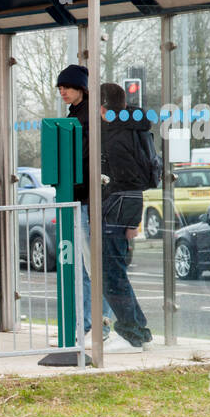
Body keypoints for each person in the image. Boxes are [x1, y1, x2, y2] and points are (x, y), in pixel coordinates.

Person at [57, 63, 114, 340]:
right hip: (78, 198)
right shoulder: (76, 116)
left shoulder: (88, 117)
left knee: (91, 266)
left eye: (66, 87)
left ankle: (99, 325)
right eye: (59, 88)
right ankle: (88, 324)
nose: (62, 92)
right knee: (81, 266)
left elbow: (84, 158)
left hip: (87, 199)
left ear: (80, 87)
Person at [98, 82, 154, 349]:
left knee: (112, 274)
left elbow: (128, 178)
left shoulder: (115, 135)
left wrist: (132, 219)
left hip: (118, 203)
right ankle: (138, 329)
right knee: (114, 272)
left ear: (102, 107)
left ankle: (133, 330)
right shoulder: (130, 125)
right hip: (127, 203)